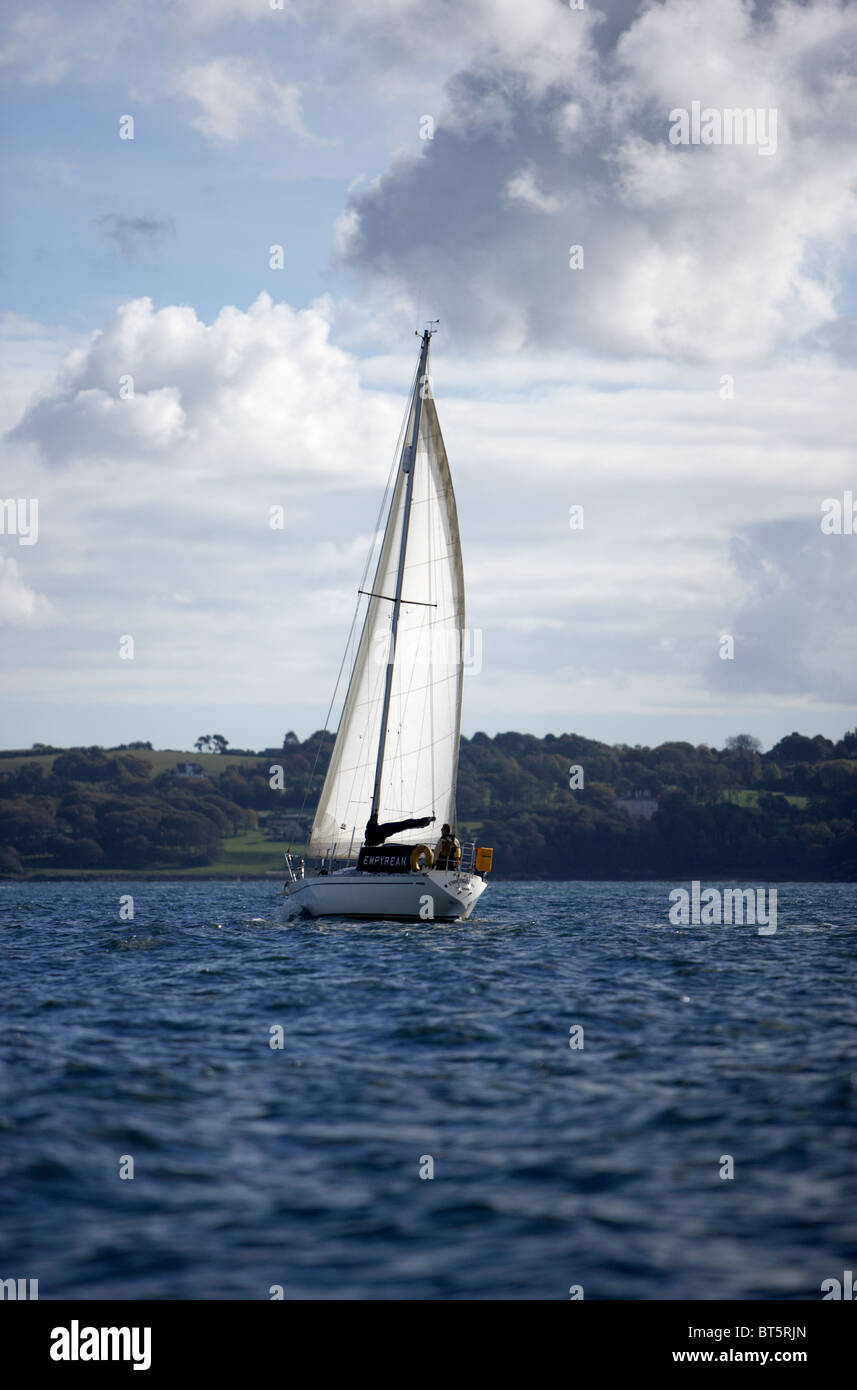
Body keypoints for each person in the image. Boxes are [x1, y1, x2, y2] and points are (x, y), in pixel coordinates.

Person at [364, 812, 435, 847]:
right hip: (385, 829)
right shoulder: (369, 832)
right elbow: (371, 826)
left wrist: (373, 818)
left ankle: (424, 822)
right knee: (404, 824)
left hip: (386, 831)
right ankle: (424, 821)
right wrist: (374, 818)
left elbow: (379, 840)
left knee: (404, 825)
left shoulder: (370, 834)